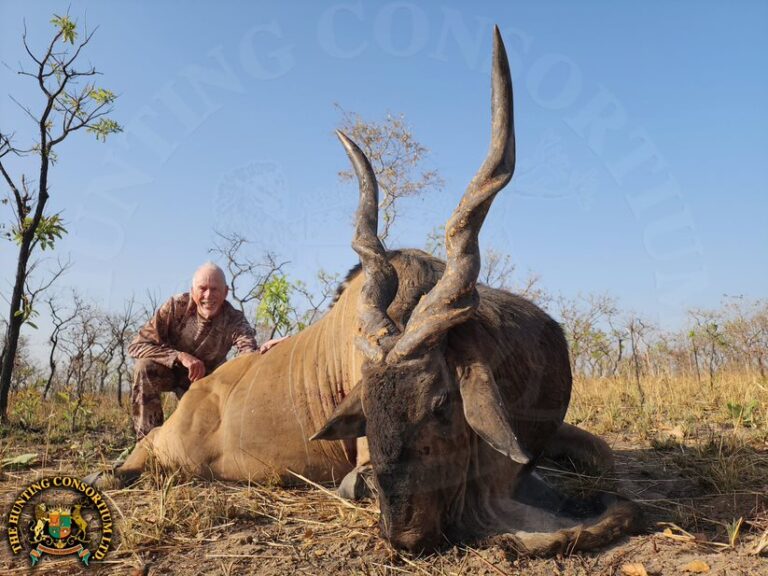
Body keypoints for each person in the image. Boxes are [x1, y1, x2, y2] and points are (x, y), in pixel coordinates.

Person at [128, 262, 286, 439]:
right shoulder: (175, 306)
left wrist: (263, 352)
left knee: (202, 437)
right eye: (202, 289)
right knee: (144, 367)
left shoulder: (234, 319)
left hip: (204, 382)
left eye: (215, 289)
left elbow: (247, 353)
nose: (208, 295)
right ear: (192, 290)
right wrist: (179, 356)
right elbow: (136, 346)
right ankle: (146, 442)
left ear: (225, 292)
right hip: (168, 371)